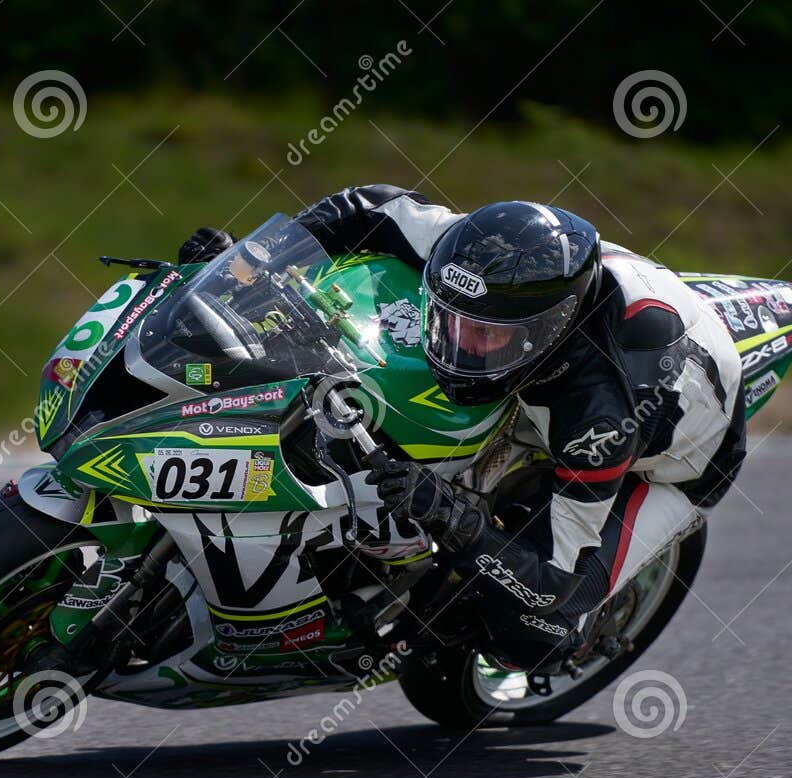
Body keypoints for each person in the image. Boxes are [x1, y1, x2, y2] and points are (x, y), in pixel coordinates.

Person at [179, 188, 746, 670]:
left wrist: (453, 516)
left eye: (485, 336)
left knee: (533, 627)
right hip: (561, 383)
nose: (460, 346)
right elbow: (369, 206)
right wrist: (243, 268)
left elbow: (552, 582)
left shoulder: (597, 417)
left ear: (547, 329)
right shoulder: (477, 259)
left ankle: (557, 640)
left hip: (670, 466)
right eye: (449, 320)